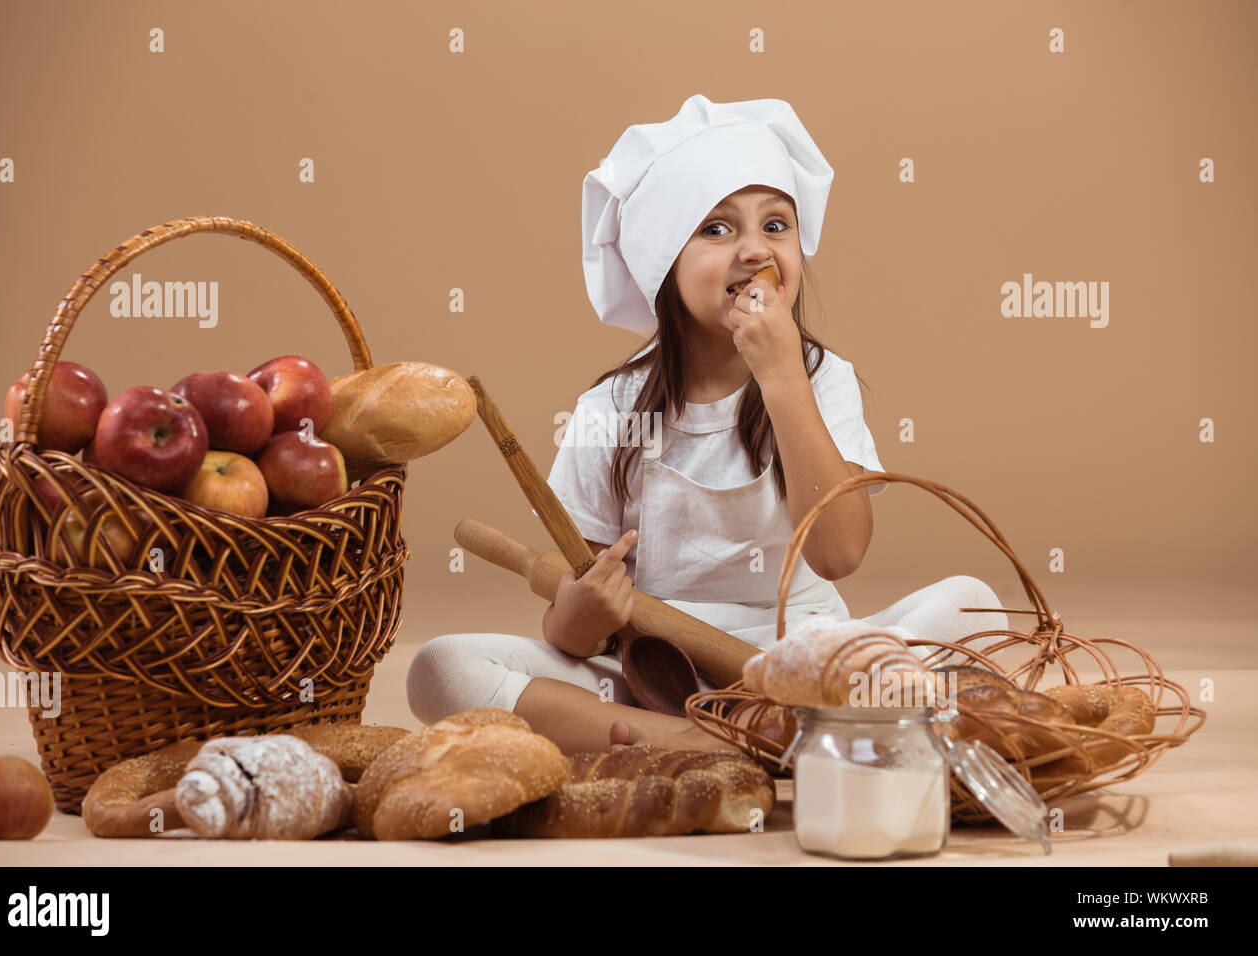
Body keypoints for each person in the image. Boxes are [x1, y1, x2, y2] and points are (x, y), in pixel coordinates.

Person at [407, 94, 1007, 755]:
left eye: (776, 225)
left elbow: (839, 554)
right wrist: (580, 620)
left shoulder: (819, 377)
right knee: (442, 668)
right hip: (654, 674)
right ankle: (734, 743)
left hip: (814, 660)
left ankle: (767, 733)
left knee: (969, 605)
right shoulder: (609, 410)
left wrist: (782, 379)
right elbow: (573, 628)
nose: (755, 249)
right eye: (717, 229)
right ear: (663, 261)